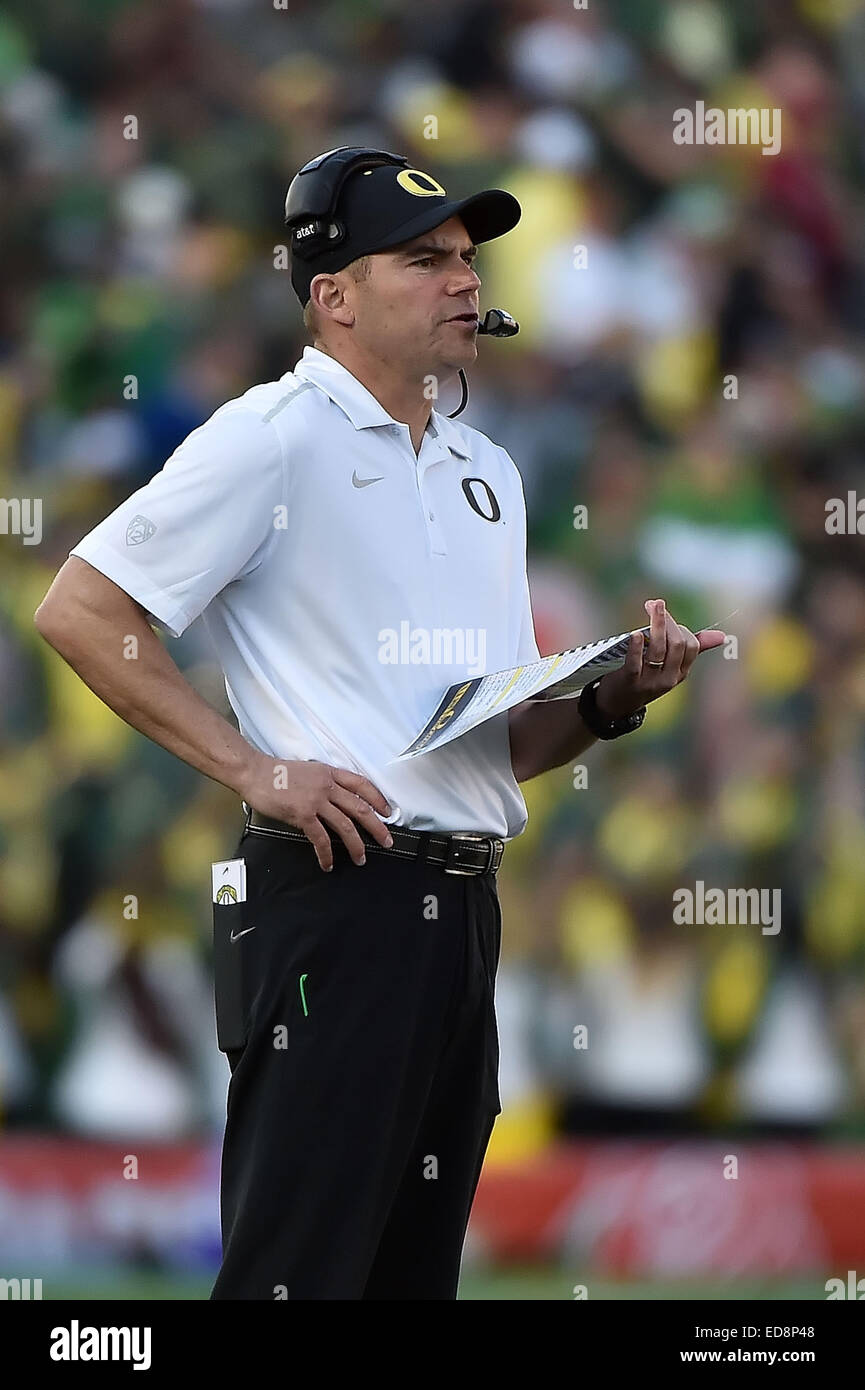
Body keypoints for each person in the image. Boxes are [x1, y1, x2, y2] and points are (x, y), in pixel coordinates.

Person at [33, 148, 724, 1299]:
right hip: (334, 894)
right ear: (333, 296)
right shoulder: (272, 434)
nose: (462, 279)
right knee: (294, 1277)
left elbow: (488, 746)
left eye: (465, 257)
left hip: (460, 905)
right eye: (422, 259)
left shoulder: (486, 470)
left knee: (410, 1285)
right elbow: (82, 607)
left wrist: (609, 701)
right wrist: (254, 769)